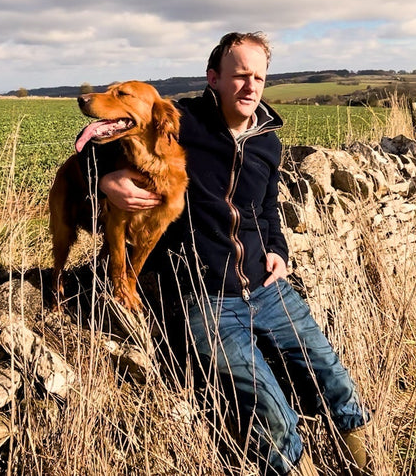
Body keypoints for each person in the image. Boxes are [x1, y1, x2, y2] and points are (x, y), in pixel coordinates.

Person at [81, 32, 371, 476]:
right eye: (239, 76)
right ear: (213, 78)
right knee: (272, 416)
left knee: (335, 383)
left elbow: (267, 207)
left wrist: (276, 248)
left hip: (267, 287)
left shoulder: (267, 140)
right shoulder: (183, 121)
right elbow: (109, 134)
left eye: (258, 77)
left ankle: (367, 466)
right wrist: (106, 179)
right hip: (206, 298)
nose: (250, 86)